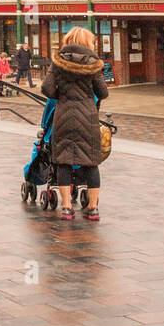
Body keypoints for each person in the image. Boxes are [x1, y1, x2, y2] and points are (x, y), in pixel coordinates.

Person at [41, 27, 108, 222]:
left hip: (64, 116)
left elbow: (46, 87)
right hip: (87, 116)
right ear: (87, 42)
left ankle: (67, 207)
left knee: (64, 161)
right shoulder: (93, 63)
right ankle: (93, 208)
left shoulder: (59, 62)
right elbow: (103, 92)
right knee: (91, 162)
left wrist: (61, 96)